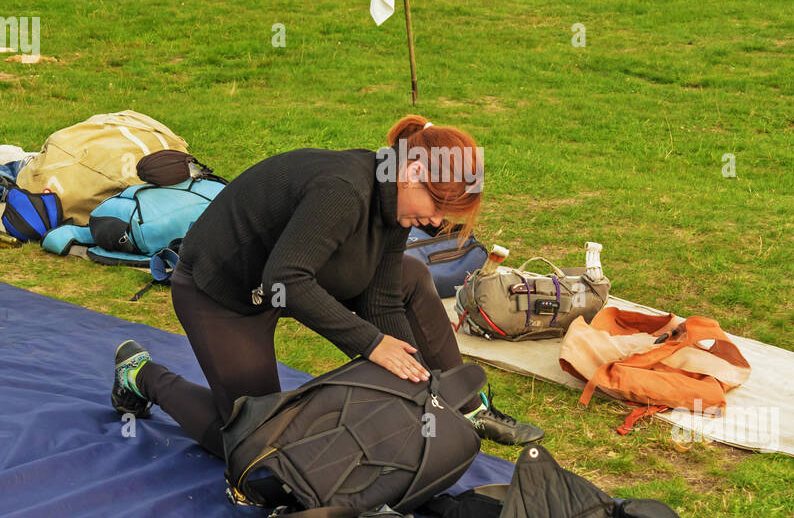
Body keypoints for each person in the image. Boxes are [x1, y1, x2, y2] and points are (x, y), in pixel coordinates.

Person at [111, 113, 543, 455]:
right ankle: (142, 375)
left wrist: (418, 381)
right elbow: (285, 279)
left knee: (411, 276)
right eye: (436, 206)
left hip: (291, 267)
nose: (435, 223)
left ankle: (463, 404)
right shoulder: (343, 190)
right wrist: (373, 345)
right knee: (257, 445)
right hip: (224, 289)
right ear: (412, 171)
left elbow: (383, 298)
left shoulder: (394, 198)